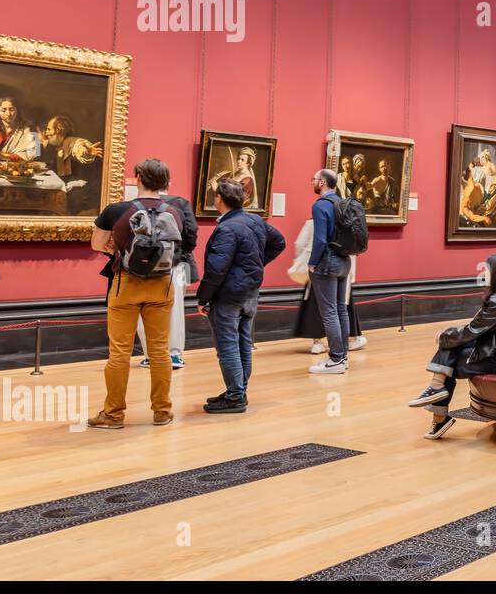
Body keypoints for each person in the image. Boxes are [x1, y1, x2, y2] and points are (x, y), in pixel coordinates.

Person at [86, 160, 192, 429]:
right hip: (162, 285)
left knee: (119, 352)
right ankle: (162, 411)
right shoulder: (175, 211)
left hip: (126, 284)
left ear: (137, 179)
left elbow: (97, 243)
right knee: (159, 351)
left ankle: (113, 415)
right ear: (166, 183)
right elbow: (181, 246)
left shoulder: (117, 211)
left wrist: (119, 252)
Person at [409, 253, 496, 439]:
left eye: (487, 269)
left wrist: (444, 336)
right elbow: (477, 330)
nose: (484, 272)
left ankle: (439, 410)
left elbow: (472, 330)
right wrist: (448, 335)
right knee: (449, 349)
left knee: (448, 360)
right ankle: (437, 393)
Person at [194, 178, 286, 414]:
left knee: (228, 346)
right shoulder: (255, 220)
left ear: (219, 200)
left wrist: (203, 297)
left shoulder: (226, 228)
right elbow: (279, 242)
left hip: (229, 294)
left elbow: (216, 269)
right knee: (243, 342)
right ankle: (239, 390)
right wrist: (254, 265)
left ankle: (235, 396)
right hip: (250, 291)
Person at [131, 159, 198, 371]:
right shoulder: (180, 204)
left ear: (139, 179)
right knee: (175, 309)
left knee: (143, 309)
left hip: (140, 265)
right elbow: (191, 235)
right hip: (175, 264)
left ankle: (151, 354)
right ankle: (174, 354)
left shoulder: (133, 205)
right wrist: (179, 253)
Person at [289, 218, 366, 354]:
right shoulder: (346, 222)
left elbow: (300, 244)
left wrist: (305, 261)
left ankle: (318, 342)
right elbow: (353, 249)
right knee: (341, 307)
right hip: (342, 269)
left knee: (319, 305)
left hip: (319, 268)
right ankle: (344, 343)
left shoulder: (313, 222)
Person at [307, 168, 353, 375]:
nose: (313, 182)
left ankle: (335, 359)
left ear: (323, 182)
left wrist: (312, 262)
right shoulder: (342, 203)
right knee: (340, 309)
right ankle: (343, 356)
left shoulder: (321, 206)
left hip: (327, 262)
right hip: (344, 261)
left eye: (314, 179)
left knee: (329, 312)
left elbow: (320, 239)